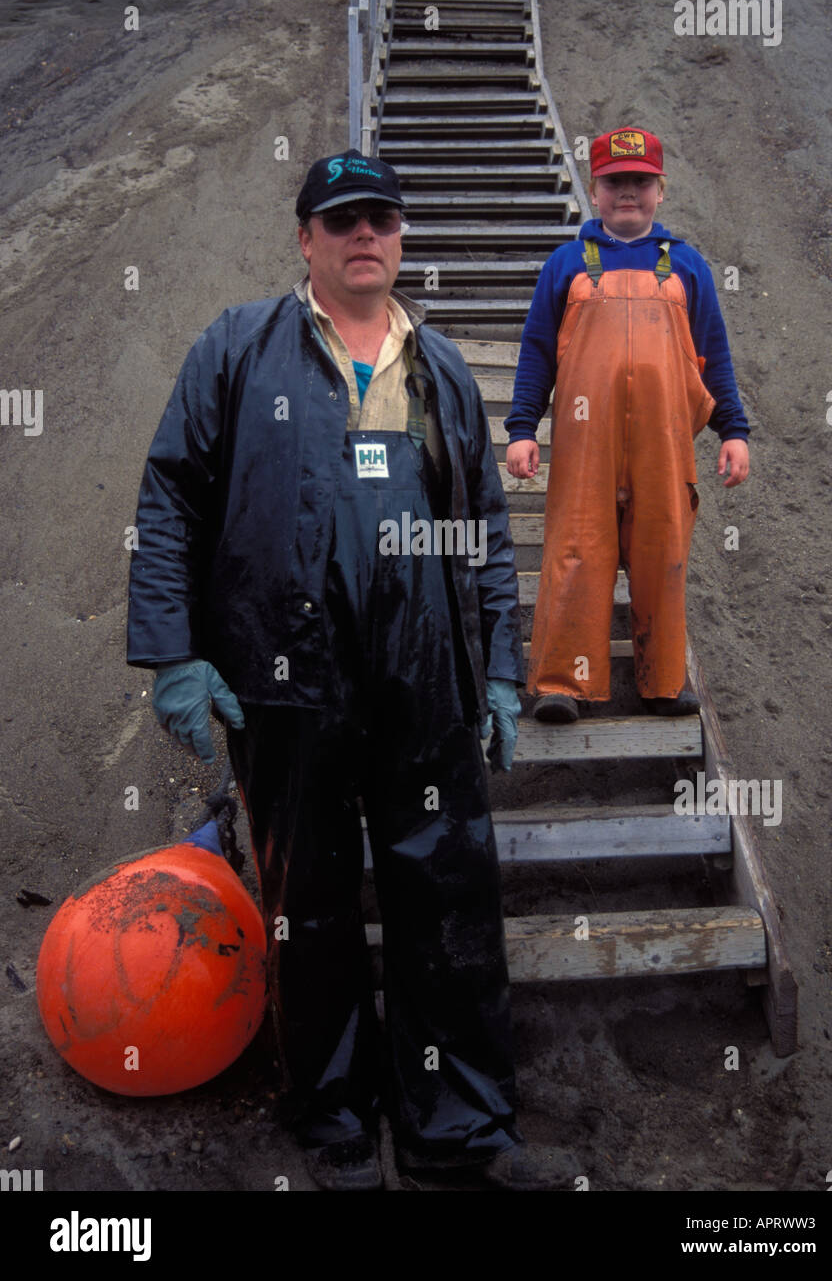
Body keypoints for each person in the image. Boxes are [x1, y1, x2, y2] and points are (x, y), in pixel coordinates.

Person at [127, 148, 575, 1190]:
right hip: (286, 680)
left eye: (378, 217)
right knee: (308, 904)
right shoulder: (239, 349)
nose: (361, 234)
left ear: (401, 235)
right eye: (339, 221)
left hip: (425, 682)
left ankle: (456, 1126)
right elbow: (170, 499)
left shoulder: (443, 370)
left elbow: (475, 530)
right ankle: (331, 1120)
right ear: (305, 240)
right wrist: (175, 652)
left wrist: (498, 668)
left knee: (445, 895)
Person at [506, 127, 750, 722]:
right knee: (576, 549)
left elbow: (712, 353)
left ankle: (662, 680)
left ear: (660, 190)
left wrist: (735, 431)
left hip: (663, 446)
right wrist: (520, 428)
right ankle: (564, 683)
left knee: (662, 549)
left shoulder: (686, 265)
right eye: (615, 182)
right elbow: (538, 352)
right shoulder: (565, 264)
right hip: (586, 444)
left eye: (640, 181)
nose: (627, 193)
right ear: (594, 188)